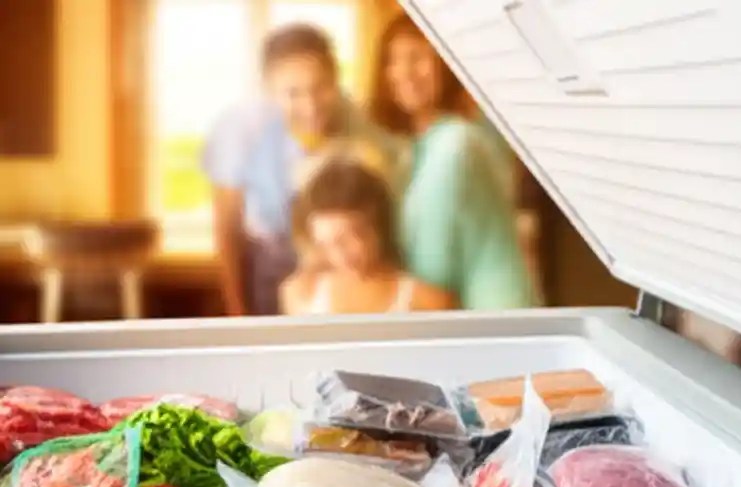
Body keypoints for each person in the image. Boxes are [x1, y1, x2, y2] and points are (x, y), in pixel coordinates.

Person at [204, 24, 406, 316]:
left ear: (336, 78)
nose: (310, 106)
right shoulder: (240, 130)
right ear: (269, 90)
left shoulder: (362, 131)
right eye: (293, 93)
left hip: (341, 262)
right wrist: (238, 316)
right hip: (269, 265)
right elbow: (227, 229)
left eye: (321, 87)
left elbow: (380, 221)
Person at [369, 14, 534, 310]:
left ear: (446, 64)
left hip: (495, 321)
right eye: (392, 61)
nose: (404, 71)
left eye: (417, 57)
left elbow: (434, 270)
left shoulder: (455, 143)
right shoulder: (421, 147)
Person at [281, 157, 453, 315]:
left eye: (352, 237)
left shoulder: (426, 300)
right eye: (329, 244)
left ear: (379, 225)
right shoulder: (301, 294)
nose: (342, 255)